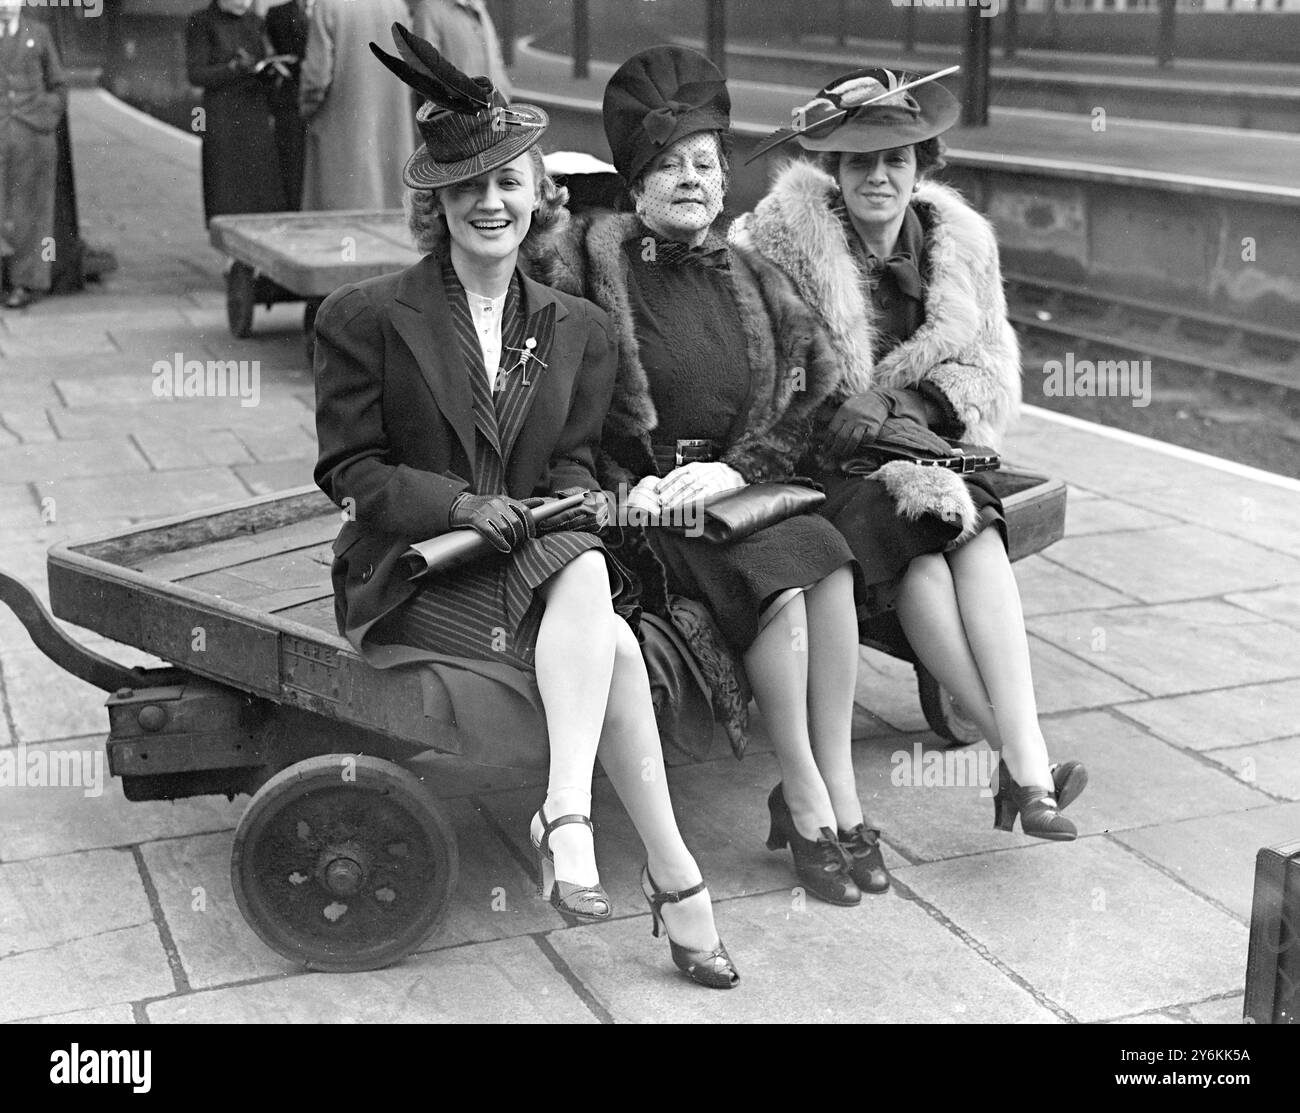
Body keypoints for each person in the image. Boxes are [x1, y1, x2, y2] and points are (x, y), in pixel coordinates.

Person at [313, 25, 737, 989]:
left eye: (510, 183)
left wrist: (567, 504)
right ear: (439, 203)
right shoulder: (366, 318)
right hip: (415, 571)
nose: (490, 202)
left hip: (537, 565)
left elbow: (575, 472)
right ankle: (617, 846)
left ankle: (638, 858)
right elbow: (351, 470)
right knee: (604, 613)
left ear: (540, 195)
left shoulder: (578, 329)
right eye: (467, 186)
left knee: (598, 599)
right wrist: (461, 500)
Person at [534, 46, 890, 906]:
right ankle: (805, 797)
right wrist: (632, 487)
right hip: (646, 510)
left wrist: (738, 470)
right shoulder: (589, 261)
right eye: (669, 166)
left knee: (829, 559)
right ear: (637, 184)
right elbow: (564, 408)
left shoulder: (752, 273)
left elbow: (813, 391)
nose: (692, 179)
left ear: (725, 180)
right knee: (781, 576)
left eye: (705, 163)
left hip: (735, 492)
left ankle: (838, 792)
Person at [733, 68, 1088, 839]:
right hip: (823, 465)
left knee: (976, 528)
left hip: (926, 448)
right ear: (834, 171)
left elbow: (985, 368)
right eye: (860, 162)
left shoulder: (958, 245)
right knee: (924, 550)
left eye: (896, 159)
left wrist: (899, 398)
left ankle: (1023, 761)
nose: (879, 177)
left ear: (920, 164)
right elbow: (763, 375)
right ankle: (1020, 759)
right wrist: (841, 398)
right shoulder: (778, 242)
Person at [299, 0, 411, 211]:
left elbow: (316, 78)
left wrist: (305, 109)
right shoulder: (397, 6)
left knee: (339, 224)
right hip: (392, 132)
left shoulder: (328, 6)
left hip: (342, 134)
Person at [185, 0, 287, 226]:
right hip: (223, 116)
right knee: (225, 188)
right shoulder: (202, 21)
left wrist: (269, 71)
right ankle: (230, 251)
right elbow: (196, 74)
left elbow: (262, 59)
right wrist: (232, 68)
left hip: (254, 112)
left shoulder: (255, 22)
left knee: (259, 187)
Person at [0, 0, 68, 308]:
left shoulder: (38, 33)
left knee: (29, 214)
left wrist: (45, 117)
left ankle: (25, 283)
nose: (4, 5)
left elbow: (58, 84)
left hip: (31, 138)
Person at [264, 0, 313, 209]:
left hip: (320, 96)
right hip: (290, 98)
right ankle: (292, 206)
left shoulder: (330, 10)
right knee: (291, 161)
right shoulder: (276, 13)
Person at [409, 0, 510, 100]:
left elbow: (496, 61)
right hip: (460, 112)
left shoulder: (478, 7)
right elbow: (428, 77)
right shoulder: (428, 10)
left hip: (491, 110)